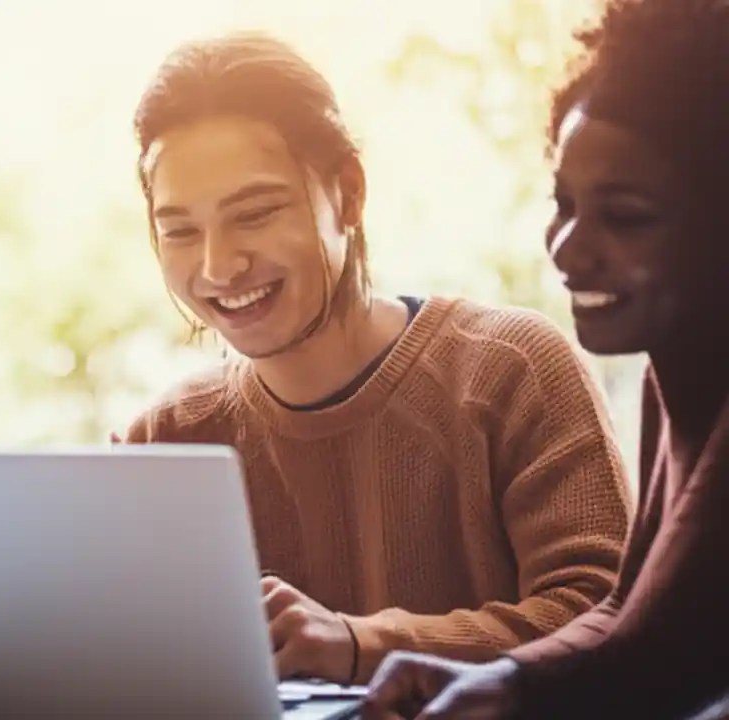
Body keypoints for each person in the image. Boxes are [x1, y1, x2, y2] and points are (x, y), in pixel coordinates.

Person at [120, 34, 633, 685]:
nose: (219, 266)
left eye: (254, 213)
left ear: (350, 194)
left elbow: (605, 617)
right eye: (180, 231)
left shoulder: (510, 370)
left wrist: (360, 644)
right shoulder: (164, 439)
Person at [361, 0, 729, 717]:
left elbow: (673, 659)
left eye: (625, 217)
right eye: (564, 204)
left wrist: (517, 689)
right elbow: (629, 612)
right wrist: (488, 678)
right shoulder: (680, 366)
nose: (567, 248)